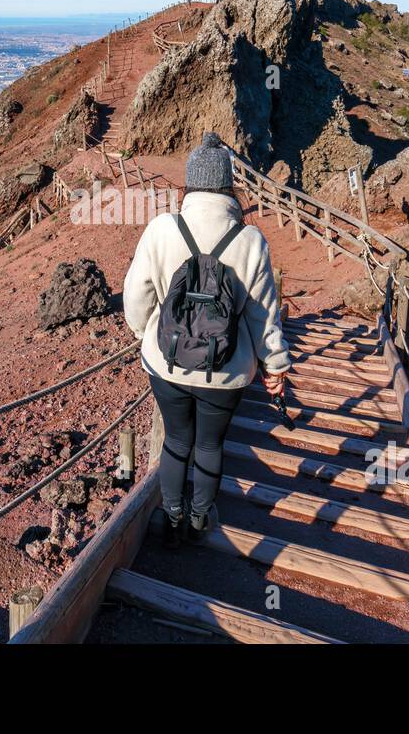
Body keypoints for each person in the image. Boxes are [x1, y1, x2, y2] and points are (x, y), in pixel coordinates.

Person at [123, 133, 291, 547]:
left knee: (177, 440)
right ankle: (200, 518)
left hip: (169, 366)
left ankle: (172, 515)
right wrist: (276, 367)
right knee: (211, 444)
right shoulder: (250, 241)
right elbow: (263, 314)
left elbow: (135, 295)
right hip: (227, 371)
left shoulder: (163, 229)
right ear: (228, 185)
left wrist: (147, 334)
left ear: (191, 182)